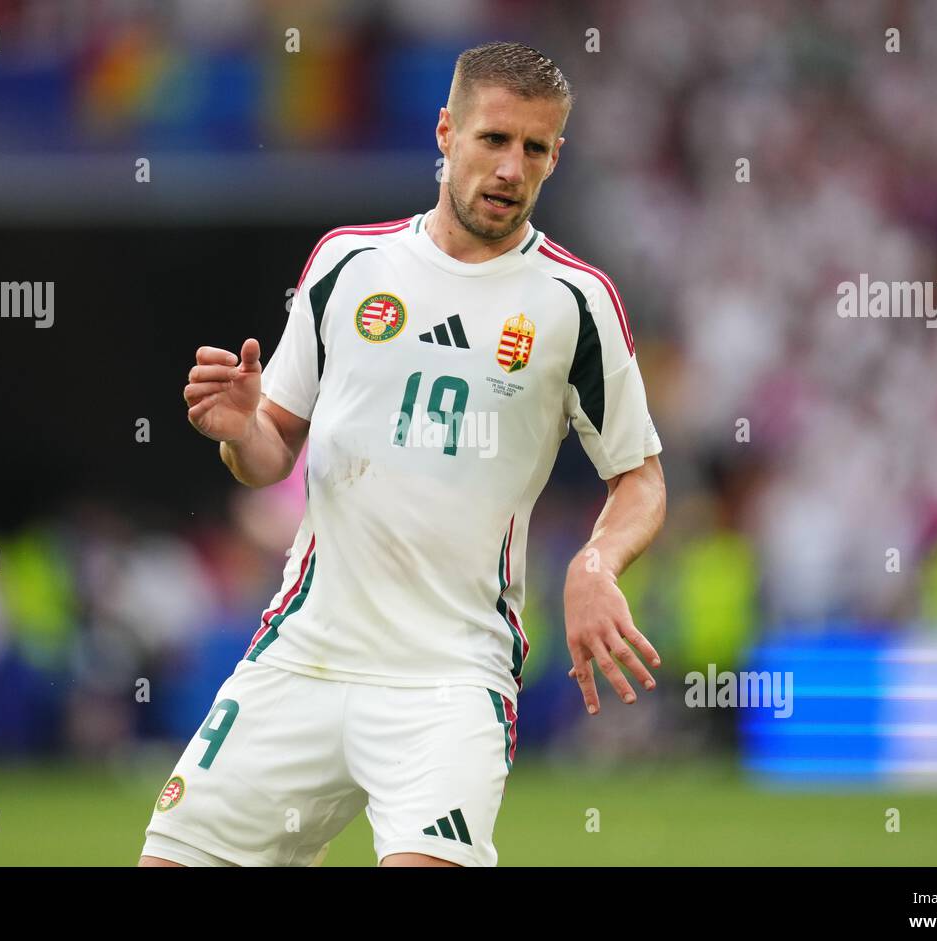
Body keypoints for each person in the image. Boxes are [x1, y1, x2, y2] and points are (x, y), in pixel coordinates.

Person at [141, 41, 666, 868]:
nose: (511, 168)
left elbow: (639, 478)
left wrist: (597, 563)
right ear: (446, 131)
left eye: (535, 148)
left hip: (449, 681)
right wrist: (244, 427)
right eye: (494, 139)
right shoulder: (348, 263)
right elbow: (270, 452)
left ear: (556, 157)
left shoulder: (576, 301)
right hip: (304, 655)